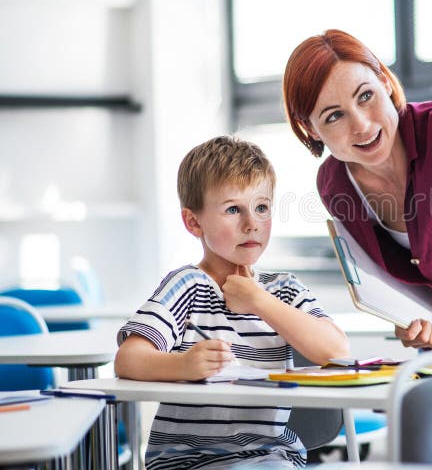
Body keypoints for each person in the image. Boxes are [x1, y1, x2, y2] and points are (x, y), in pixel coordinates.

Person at [115, 136, 349, 469]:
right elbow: (128, 358)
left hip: (271, 456)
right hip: (188, 460)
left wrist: (259, 301)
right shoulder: (187, 286)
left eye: (262, 207)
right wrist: (182, 367)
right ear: (194, 222)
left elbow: (337, 351)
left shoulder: (283, 290)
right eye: (233, 209)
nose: (251, 222)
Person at [283, 29, 432, 349]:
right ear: (310, 129)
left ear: (385, 82)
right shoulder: (335, 185)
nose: (360, 124)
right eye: (334, 116)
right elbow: (398, 283)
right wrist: (414, 319)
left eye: (365, 96)